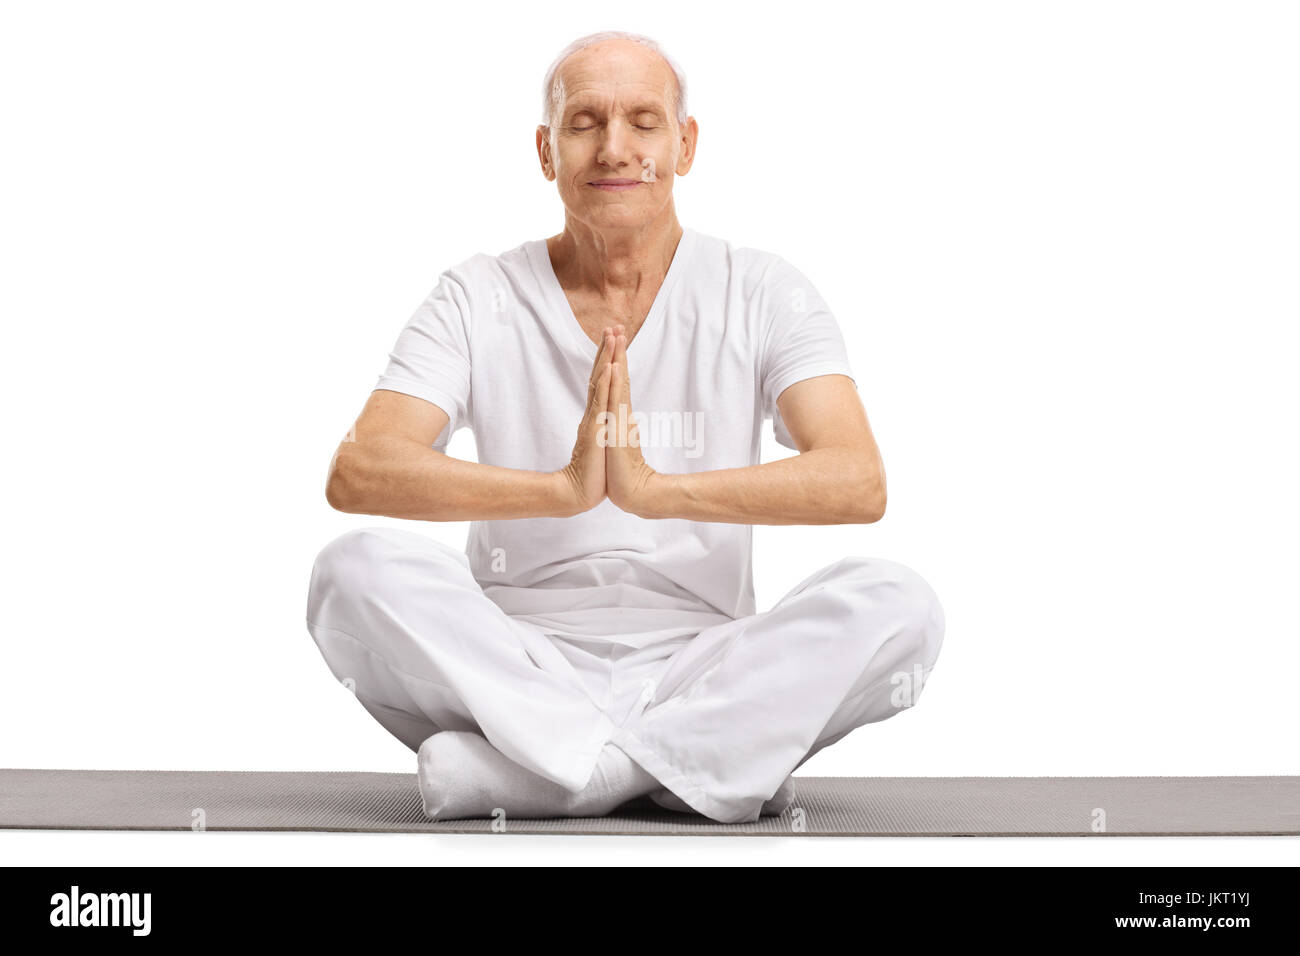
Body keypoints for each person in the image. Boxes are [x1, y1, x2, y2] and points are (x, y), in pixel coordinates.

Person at [305, 30, 946, 824]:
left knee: (900, 604)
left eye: (644, 121)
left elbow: (857, 481)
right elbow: (360, 470)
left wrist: (655, 491)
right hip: (516, 665)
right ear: (546, 151)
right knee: (350, 573)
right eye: (584, 123)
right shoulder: (478, 295)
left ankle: (562, 778)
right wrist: (562, 490)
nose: (616, 147)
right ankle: (700, 767)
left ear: (686, 143)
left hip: (705, 667)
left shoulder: (761, 289)